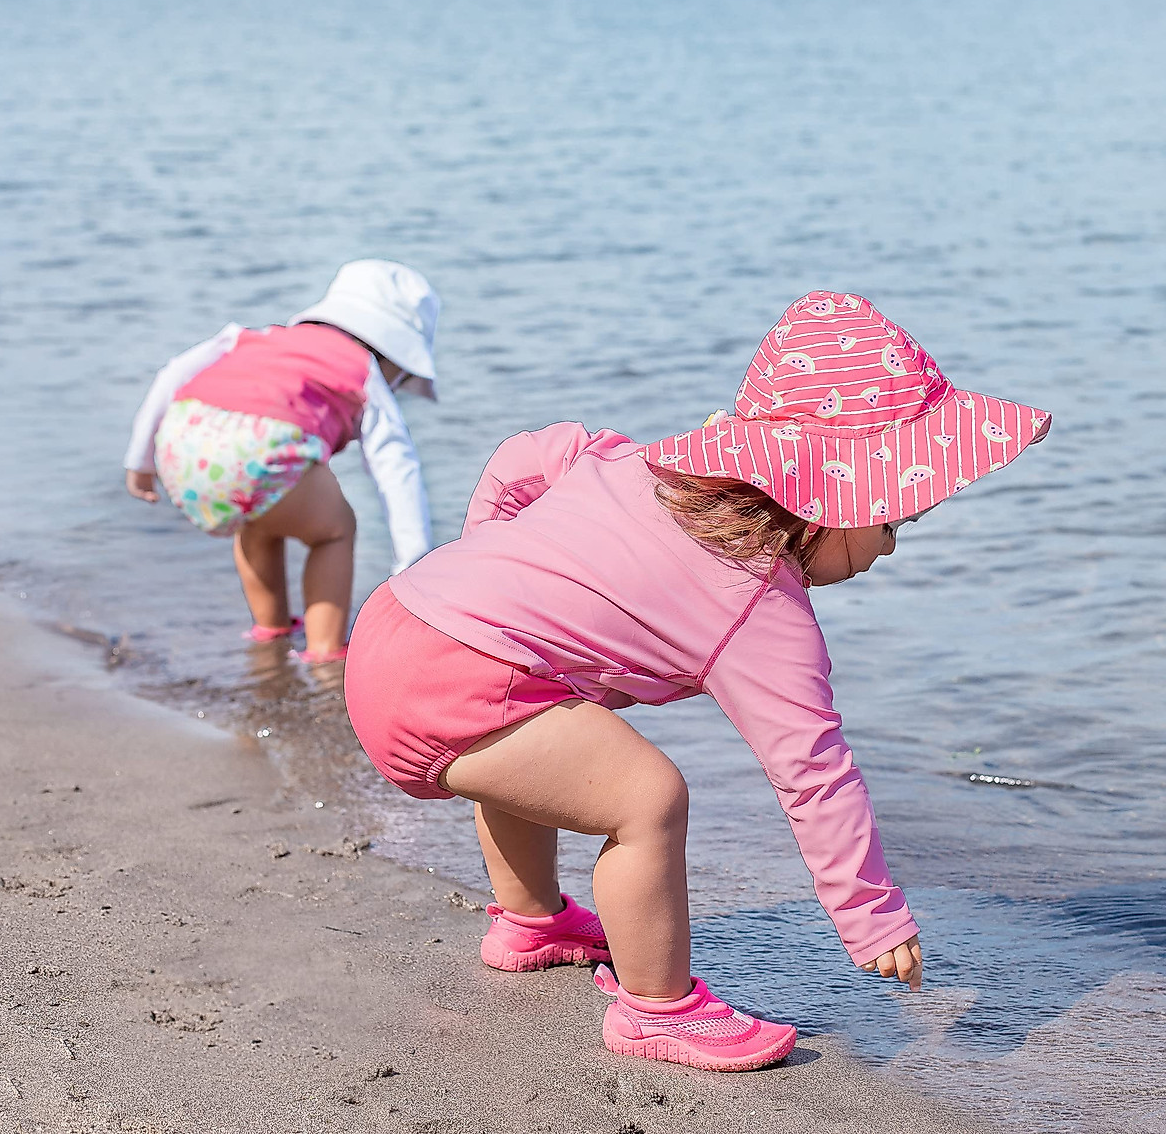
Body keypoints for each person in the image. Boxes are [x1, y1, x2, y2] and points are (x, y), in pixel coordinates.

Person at [343, 291, 1051, 1069]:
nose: (889, 548)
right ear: (828, 501)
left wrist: (487, 558)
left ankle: (534, 919)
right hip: (455, 673)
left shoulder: (629, 461)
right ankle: (657, 1008)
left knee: (540, 735)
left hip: (396, 619)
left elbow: (527, 454)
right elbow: (813, 773)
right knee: (648, 797)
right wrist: (873, 916)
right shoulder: (759, 603)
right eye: (891, 522)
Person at [123, 259, 440, 663]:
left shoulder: (252, 338)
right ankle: (325, 651)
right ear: (393, 357)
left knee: (258, 517)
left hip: (182, 443)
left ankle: (269, 630)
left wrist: (141, 461)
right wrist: (413, 564)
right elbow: (396, 467)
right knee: (335, 530)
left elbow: (173, 373)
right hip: (262, 450)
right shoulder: (364, 372)